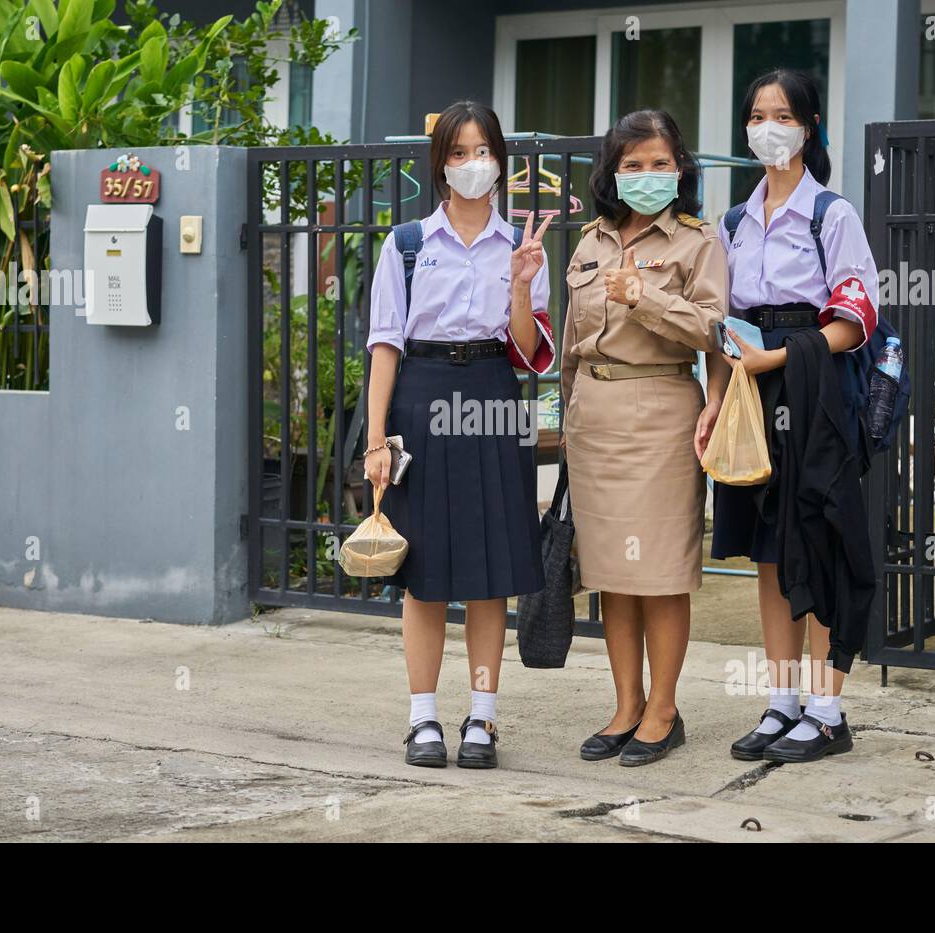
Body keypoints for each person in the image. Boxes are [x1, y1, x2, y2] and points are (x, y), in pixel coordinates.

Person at [365, 101, 555, 770]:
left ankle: (483, 717)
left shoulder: (522, 247)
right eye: (459, 153)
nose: (474, 165)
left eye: (483, 151)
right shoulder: (407, 244)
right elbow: (385, 344)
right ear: (440, 164)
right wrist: (376, 438)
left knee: (488, 572)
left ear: (501, 160)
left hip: (492, 395)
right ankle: (422, 719)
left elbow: (530, 353)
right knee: (424, 573)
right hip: (420, 395)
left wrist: (523, 287)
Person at [696, 69, 879, 764]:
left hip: (812, 390)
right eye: (757, 116)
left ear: (807, 126)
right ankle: (782, 700)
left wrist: (782, 357)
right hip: (748, 393)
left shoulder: (832, 213)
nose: (768, 127)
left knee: (821, 540)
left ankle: (828, 711)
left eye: (782, 114)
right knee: (771, 550)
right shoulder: (735, 221)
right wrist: (714, 400)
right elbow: (723, 324)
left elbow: (856, 318)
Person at [561, 109, 727, 767]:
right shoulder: (590, 240)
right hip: (593, 416)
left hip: (661, 409)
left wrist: (645, 298)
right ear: (613, 172)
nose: (647, 175)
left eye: (660, 163)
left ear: (679, 169)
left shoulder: (696, 240)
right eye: (633, 164)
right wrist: (564, 419)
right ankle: (626, 704)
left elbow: (718, 330)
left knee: (659, 572)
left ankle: (664, 708)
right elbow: (571, 344)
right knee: (611, 575)